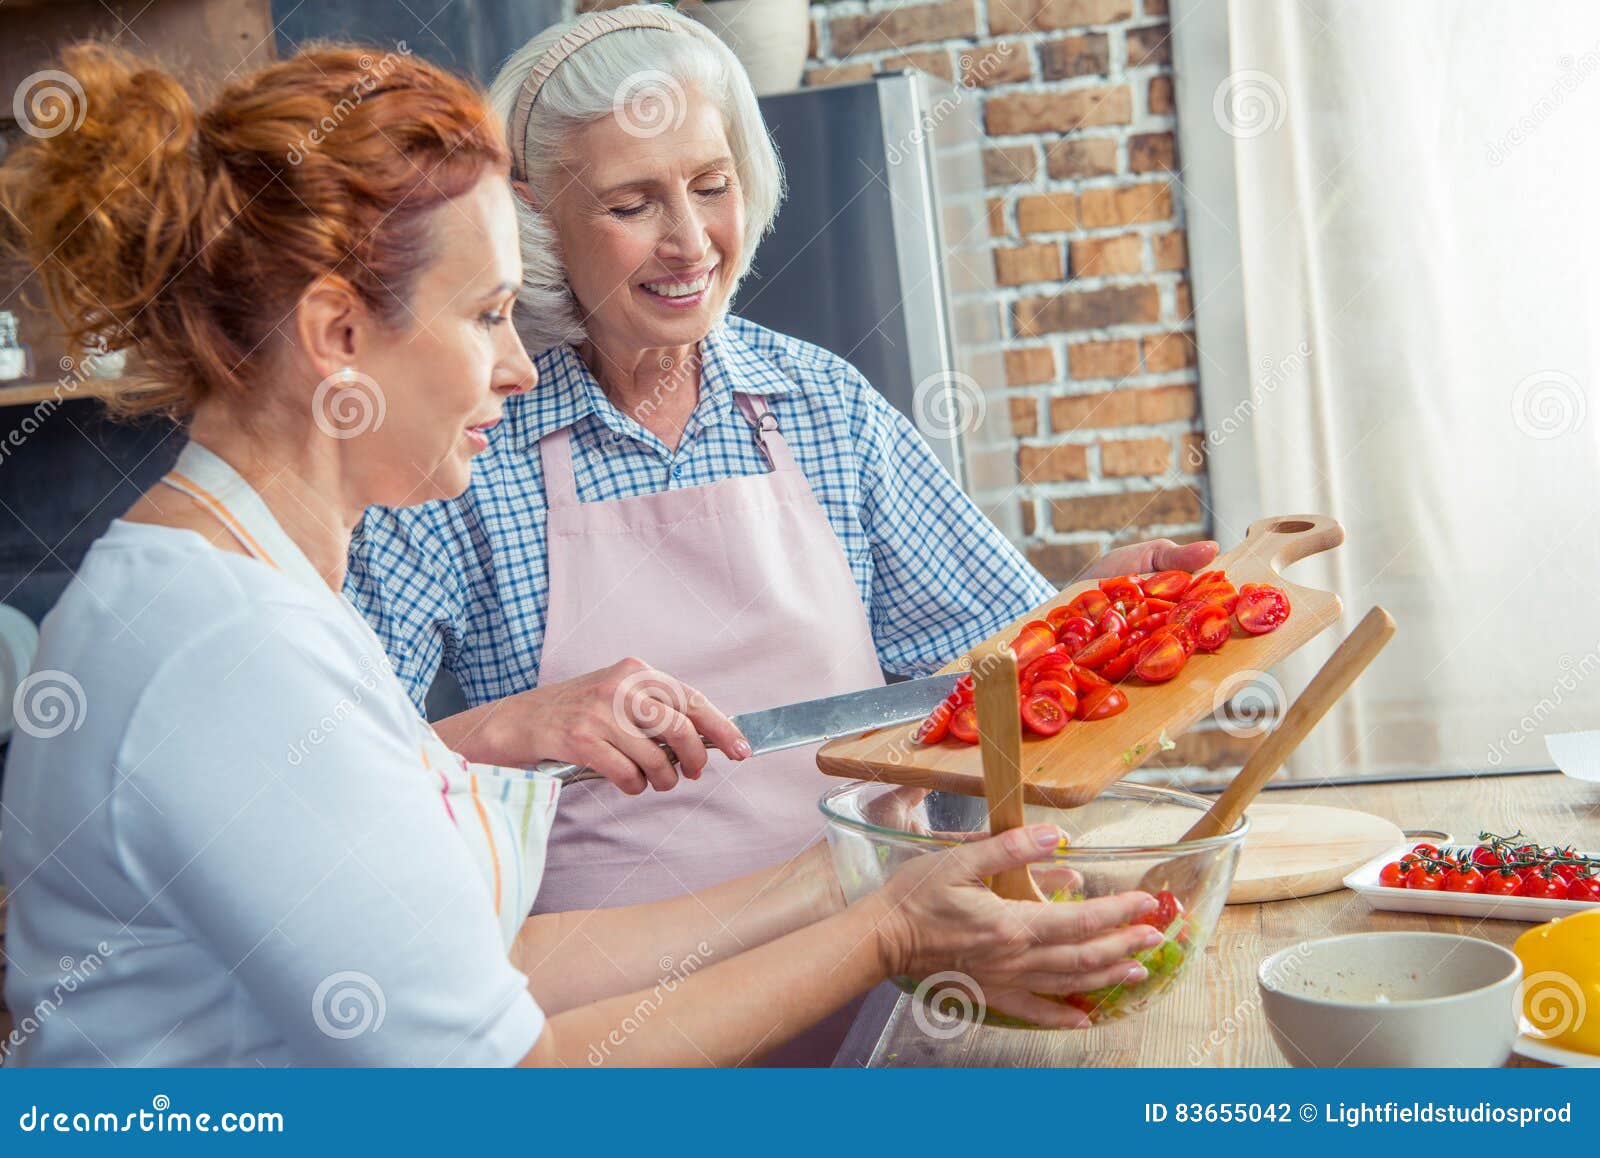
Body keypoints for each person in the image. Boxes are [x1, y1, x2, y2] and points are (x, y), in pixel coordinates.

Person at [0, 42, 1165, 1067]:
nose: (517, 365)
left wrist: (847, 886)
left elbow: (493, 977)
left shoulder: (238, 605)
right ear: (338, 337)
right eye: (488, 313)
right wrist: (890, 931)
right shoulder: (231, 652)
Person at [346, 3, 1221, 923]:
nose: (689, 240)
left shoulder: (822, 406)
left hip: (880, 967)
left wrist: (1092, 617)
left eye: (712, 185)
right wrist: (504, 727)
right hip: (614, 1026)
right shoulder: (471, 445)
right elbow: (341, 772)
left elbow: (985, 678)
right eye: (633, 203)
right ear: (534, 218)